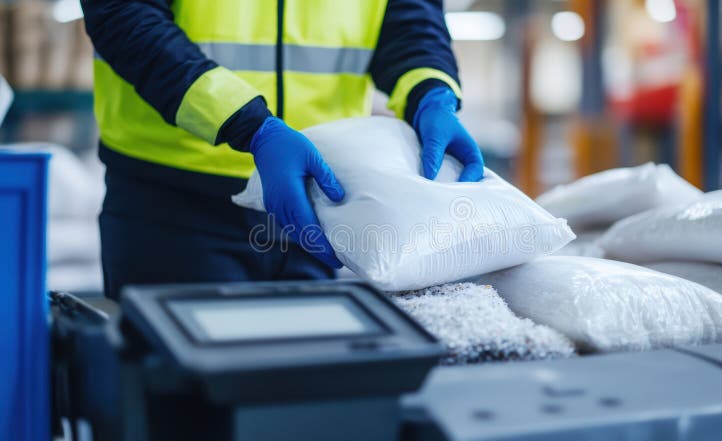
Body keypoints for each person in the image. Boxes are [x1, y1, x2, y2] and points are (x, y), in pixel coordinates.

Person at [82, 0, 484, 300]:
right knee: (189, 401)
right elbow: (126, 16)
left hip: (318, 199)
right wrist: (250, 126)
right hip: (175, 205)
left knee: (307, 396)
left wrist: (431, 91)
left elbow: (410, 22)